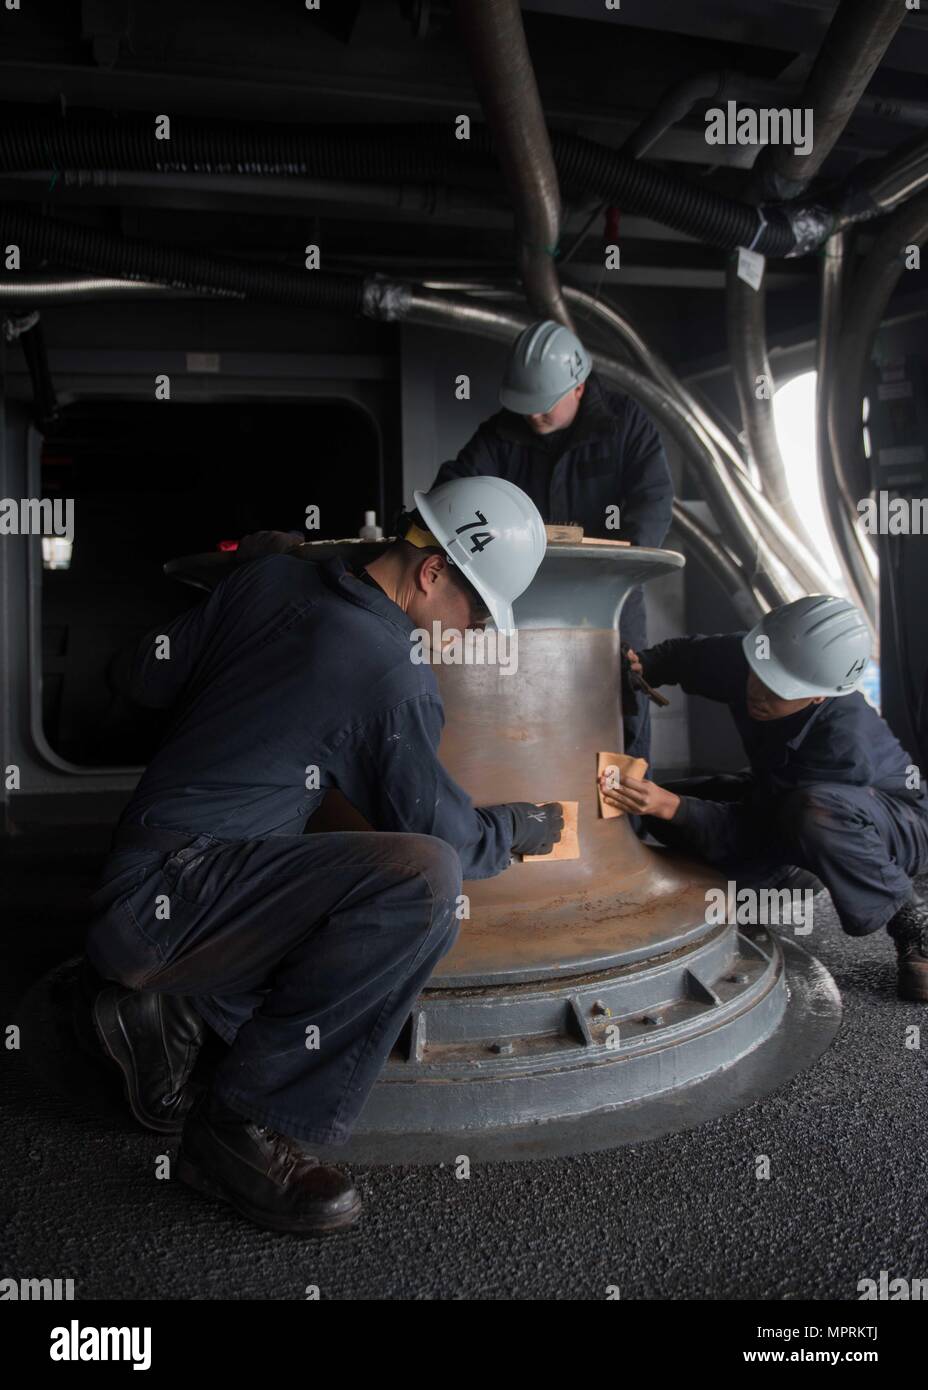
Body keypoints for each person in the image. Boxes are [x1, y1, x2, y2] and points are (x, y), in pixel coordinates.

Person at [75, 476, 563, 1235]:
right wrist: (520, 829)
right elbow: (449, 838)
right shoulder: (391, 675)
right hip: (170, 904)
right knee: (422, 885)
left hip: (140, 878)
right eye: (474, 613)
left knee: (308, 860)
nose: (470, 634)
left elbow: (140, 677)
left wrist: (244, 588)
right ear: (432, 573)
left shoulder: (272, 578)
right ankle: (235, 1130)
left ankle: (172, 1007)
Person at [599, 595, 928, 1002]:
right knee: (663, 812)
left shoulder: (845, 745)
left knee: (809, 814)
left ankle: (913, 921)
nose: (757, 691)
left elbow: (763, 828)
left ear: (819, 696)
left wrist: (671, 806)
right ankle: (794, 871)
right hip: (782, 797)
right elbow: (684, 656)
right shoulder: (758, 656)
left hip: (891, 824)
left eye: (778, 689)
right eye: (757, 674)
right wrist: (644, 664)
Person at [432, 318, 673, 764]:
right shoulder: (501, 432)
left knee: (625, 697)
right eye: (524, 405)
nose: (531, 415)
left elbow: (653, 500)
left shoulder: (626, 425)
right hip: (525, 591)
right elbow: (458, 486)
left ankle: (630, 819)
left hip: (611, 593)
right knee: (523, 696)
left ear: (579, 387)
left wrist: (624, 565)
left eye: (543, 404)